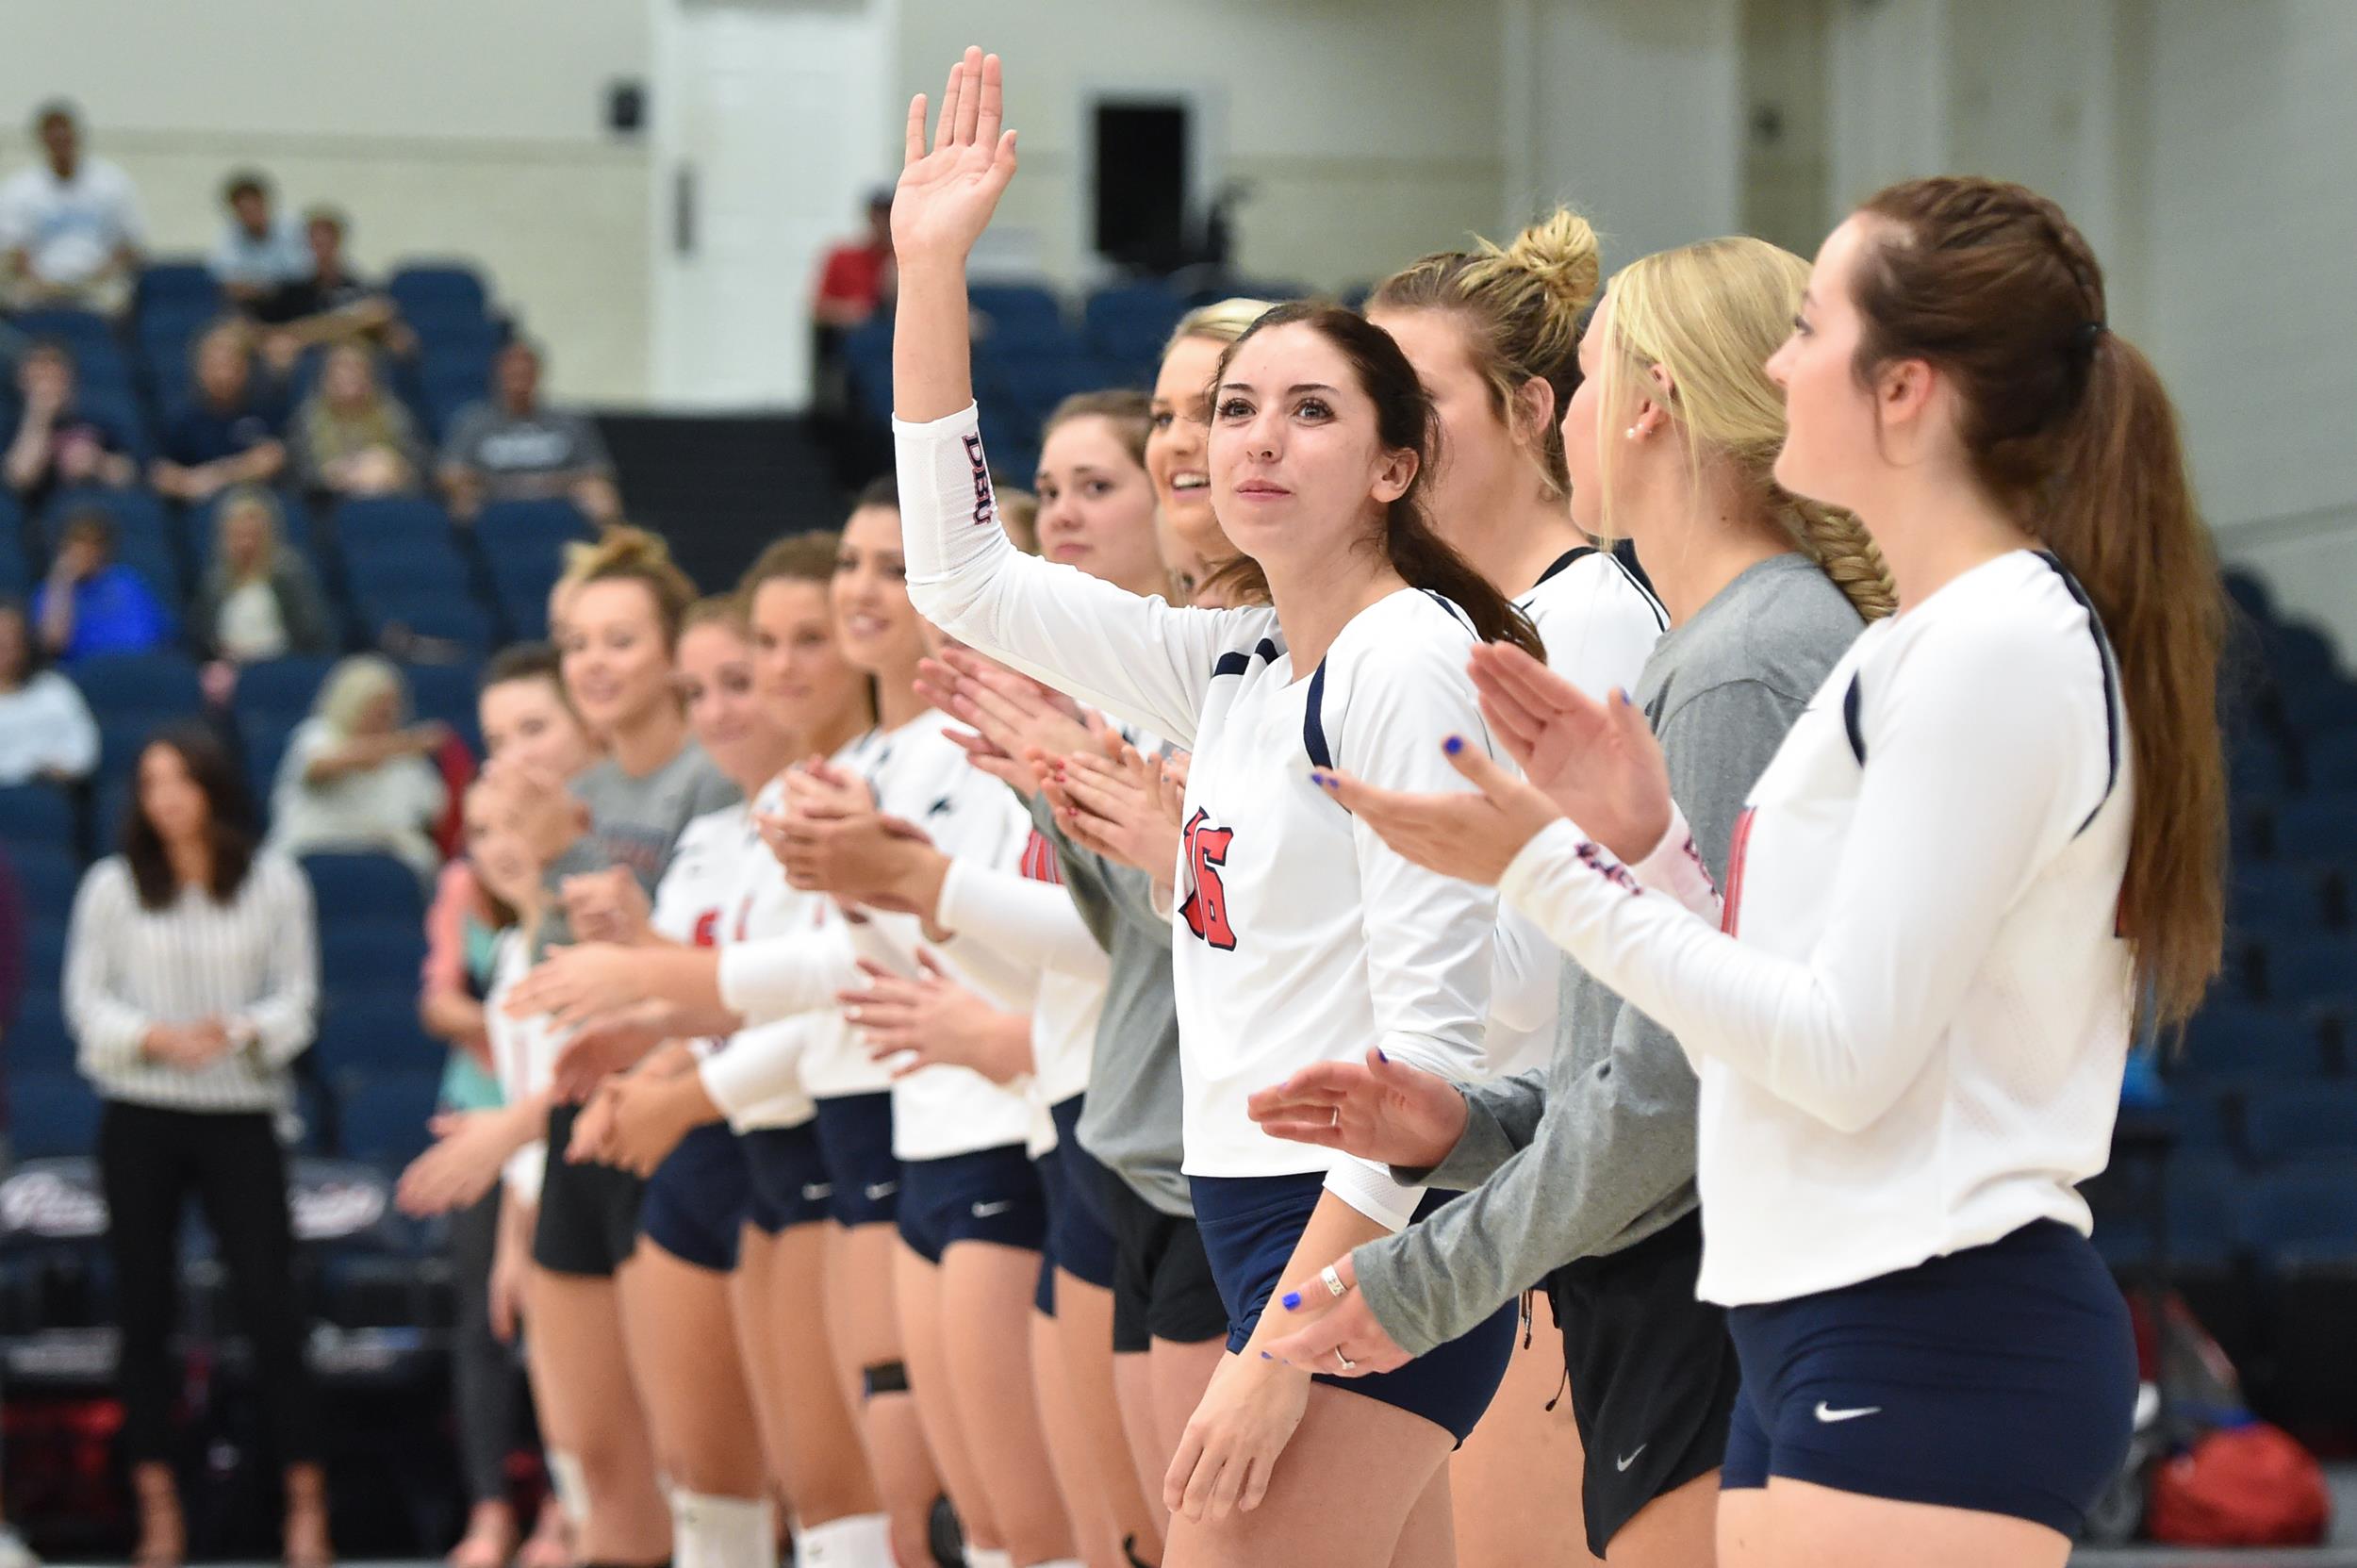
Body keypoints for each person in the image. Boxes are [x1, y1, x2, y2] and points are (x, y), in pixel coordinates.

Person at [1291, 176, 2224, 1568]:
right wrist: (1645, 851)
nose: (1780, 366)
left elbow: (1839, 1051)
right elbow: (1762, 1010)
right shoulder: (1923, 641)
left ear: (1903, 388)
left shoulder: (1990, 648)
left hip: (1933, 1309)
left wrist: (1551, 868)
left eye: (1812, 324)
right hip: (1834, 1304)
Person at [891, 51, 1527, 1565]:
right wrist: (933, 272)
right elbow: (961, 576)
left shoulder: (1408, 660)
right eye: (1238, 406)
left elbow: (1432, 1052)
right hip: (1249, 1204)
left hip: (1369, 1230)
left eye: (1309, 411)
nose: (1250, 436)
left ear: (1392, 464)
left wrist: (1277, 1342)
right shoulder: (1236, 656)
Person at [1253, 236, 1893, 1568]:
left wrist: (1419, 1279)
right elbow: (1654, 1032)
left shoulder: (1737, 660)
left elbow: (1672, 1087)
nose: (1575, 408)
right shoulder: (1729, 640)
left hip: (1698, 1259)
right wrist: (1470, 1123)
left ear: (1653, 403)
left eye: (1590, 376)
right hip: (1660, 1248)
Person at [62, 724, 329, 1568]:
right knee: (145, 1316)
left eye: (183, 778)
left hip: (242, 1112)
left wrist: (241, 1030)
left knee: (272, 1310)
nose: (168, 796)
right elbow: (86, 1001)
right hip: (140, 1113)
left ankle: (305, 1503)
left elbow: (299, 999)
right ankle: (159, 1510)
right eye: (151, 781)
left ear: (216, 786)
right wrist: (150, 1037)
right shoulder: (111, 887)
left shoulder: (275, 882)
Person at [414, 644, 602, 1568]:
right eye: (498, 742)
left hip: (600, 1170)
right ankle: (533, 1511)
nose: (494, 839)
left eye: (535, 730)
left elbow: (582, 1075)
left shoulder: (592, 889)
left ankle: (569, 1516)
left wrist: (512, 1151)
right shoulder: (520, 923)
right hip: (539, 1175)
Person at [265, 654, 451, 880]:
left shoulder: (407, 760)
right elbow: (320, 766)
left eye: (392, 708)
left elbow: (435, 812)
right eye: (377, 708)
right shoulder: (317, 735)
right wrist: (402, 745)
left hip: (386, 866)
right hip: (316, 854)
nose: (386, 716)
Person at [438, 341, 622, 526]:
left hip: (559, 489)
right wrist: (501, 483)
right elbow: (450, 473)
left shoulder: (569, 420)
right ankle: (466, 551)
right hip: (493, 492)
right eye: (513, 375)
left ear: (537, 375)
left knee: (600, 493)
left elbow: (599, 470)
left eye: (525, 375)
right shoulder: (473, 420)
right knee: (462, 497)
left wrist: (548, 483)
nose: (519, 382)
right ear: (498, 376)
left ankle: (610, 551)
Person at [0, 102, 142, 316]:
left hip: (98, 282)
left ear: (77, 137)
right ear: (43, 141)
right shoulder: (19, 188)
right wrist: (43, 283)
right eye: (54, 139)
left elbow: (130, 245)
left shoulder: (112, 182)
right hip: (40, 284)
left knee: (120, 298)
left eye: (65, 138)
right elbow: (14, 250)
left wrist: (99, 276)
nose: (61, 145)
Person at [189, 487, 335, 679]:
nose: (246, 543)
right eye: (238, 535)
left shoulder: (289, 574)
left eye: (253, 534)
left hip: (282, 670)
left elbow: (310, 633)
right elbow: (204, 639)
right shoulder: (214, 582)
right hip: (230, 673)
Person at [256, 208, 416, 365]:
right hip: (307, 365)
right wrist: (354, 322)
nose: (320, 250)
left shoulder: (359, 288)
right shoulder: (292, 292)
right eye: (314, 243)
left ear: (338, 243)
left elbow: (389, 325)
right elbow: (272, 334)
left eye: (326, 242)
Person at [152, 324, 289, 502]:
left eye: (230, 364)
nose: (223, 375)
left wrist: (212, 478)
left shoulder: (266, 410)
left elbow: (272, 458)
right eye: (214, 365)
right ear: (199, 369)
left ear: (246, 367)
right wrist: (184, 483)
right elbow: (160, 472)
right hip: (199, 517)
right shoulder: (182, 420)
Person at [290, 343, 428, 503]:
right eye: (339, 371)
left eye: (356, 370)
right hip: (330, 502)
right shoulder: (306, 419)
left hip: (391, 494)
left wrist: (390, 465)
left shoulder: (395, 413)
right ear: (325, 380)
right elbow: (300, 475)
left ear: (371, 378)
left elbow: (421, 463)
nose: (348, 376)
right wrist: (336, 476)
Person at [6, 340, 137, 505]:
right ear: (22, 381)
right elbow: (20, 477)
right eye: (39, 378)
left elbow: (132, 474)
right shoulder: (11, 423)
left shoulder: (97, 417)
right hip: (44, 516)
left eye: (54, 376)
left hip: (101, 507)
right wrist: (40, 415)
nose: (47, 386)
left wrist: (97, 462)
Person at [31, 511, 171, 665]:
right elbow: (53, 643)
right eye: (78, 542)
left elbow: (150, 639)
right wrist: (63, 579)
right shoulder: (50, 591)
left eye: (94, 543)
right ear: (64, 547)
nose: (86, 551)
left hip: (131, 671)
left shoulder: (127, 582)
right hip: (81, 678)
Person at [0, 598, 99, 785]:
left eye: (11, 640)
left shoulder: (55, 691)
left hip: (46, 793)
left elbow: (84, 752)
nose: (4, 648)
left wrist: (56, 771)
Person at [208, 170, 313, 311]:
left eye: (253, 208)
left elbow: (302, 273)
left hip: (296, 305)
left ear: (265, 204)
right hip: (250, 310)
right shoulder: (228, 236)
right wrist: (267, 286)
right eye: (243, 210)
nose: (250, 215)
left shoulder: (292, 229)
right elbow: (229, 283)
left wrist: (259, 285)